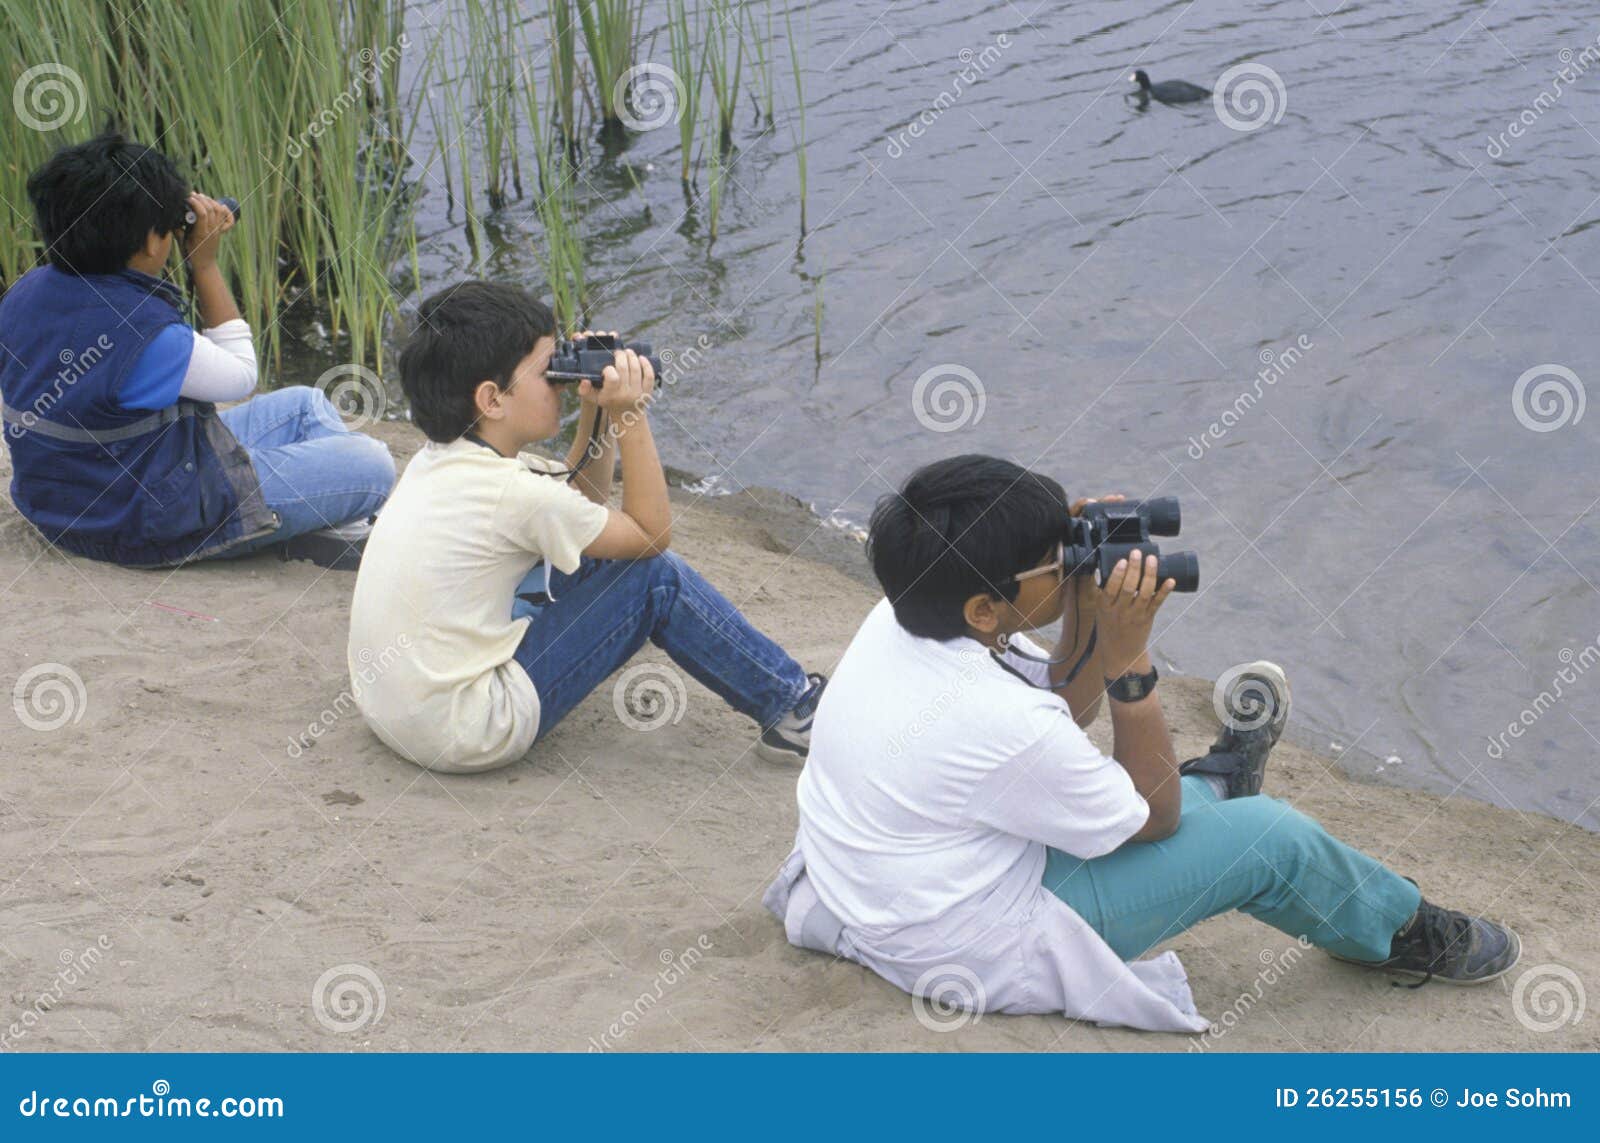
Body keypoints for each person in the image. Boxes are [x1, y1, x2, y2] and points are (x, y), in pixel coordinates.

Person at [765, 455, 1520, 1032]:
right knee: (1272, 840)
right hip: (967, 939)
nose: (1070, 562)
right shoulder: (994, 719)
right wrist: (1130, 657)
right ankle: (1399, 931)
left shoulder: (901, 616)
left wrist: (1083, 600)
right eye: (1056, 561)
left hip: (892, 881)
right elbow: (1150, 818)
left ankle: (1215, 789)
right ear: (985, 608)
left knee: (1165, 804)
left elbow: (1062, 702)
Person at [345, 280, 825, 773]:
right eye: (547, 372)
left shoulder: (442, 461)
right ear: (492, 399)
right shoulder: (513, 494)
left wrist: (596, 409)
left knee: (593, 551)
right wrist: (631, 415)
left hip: (397, 709)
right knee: (655, 578)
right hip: (471, 729)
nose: (560, 383)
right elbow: (650, 537)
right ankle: (791, 708)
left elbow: (579, 506)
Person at [0, 131, 394, 570]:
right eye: (168, 228)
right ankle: (323, 522)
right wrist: (203, 264)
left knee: (306, 406)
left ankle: (326, 519)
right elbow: (241, 375)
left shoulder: (24, 293)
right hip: (136, 522)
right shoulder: (148, 336)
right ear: (151, 243)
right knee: (373, 465)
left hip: (65, 499)